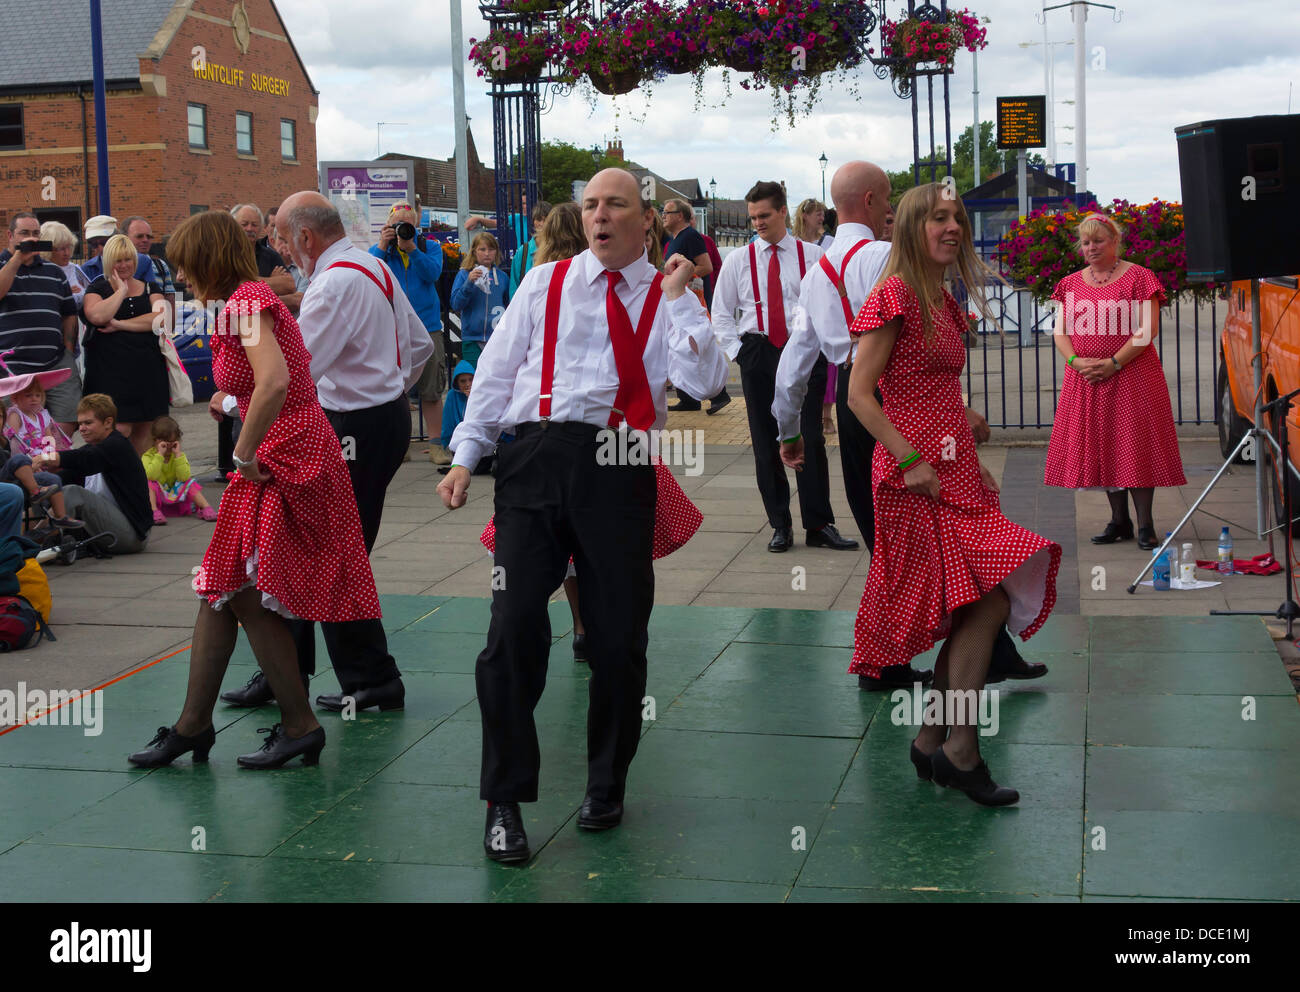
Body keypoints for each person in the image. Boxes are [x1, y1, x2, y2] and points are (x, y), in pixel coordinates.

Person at [438, 167, 728, 863]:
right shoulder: (546, 283)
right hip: (535, 459)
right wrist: (464, 455)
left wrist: (682, 298)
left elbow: (708, 381)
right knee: (511, 630)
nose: (598, 216)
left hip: (621, 467)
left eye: (615, 205)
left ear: (646, 222)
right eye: (590, 205)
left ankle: (607, 781)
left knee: (617, 640)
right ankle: (503, 798)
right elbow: (500, 370)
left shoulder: (669, 296)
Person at [126, 208, 380, 770]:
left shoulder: (244, 303)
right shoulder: (244, 302)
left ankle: (295, 724)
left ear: (206, 259)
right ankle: (198, 725)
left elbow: (275, 382)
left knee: (240, 589)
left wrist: (242, 454)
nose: (181, 277)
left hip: (282, 460)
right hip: (282, 455)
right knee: (222, 586)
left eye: (185, 265)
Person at [846, 183, 1061, 805]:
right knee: (986, 604)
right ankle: (956, 748)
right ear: (912, 227)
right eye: (939, 218)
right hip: (912, 479)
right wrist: (913, 456)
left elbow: (927, 384)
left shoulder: (942, 299)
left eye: (957, 219)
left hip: (954, 472)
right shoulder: (893, 295)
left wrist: (966, 427)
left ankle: (934, 740)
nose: (952, 229)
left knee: (977, 606)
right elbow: (862, 394)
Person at [219, 190, 431, 716]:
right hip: (378, 418)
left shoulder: (332, 284)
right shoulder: (370, 267)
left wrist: (229, 401)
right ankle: (291, 671)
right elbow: (421, 343)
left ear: (307, 237)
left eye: (285, 240)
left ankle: (364, 678)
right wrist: (386, 388)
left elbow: (290, 376)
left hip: (352, 426)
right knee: (321, 549)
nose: (283, 252)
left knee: (329, 553)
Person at [711, 180, 856, 553]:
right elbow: (721, 313)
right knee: (764, 442)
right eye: (753, 217)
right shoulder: (737, 260)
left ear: (781, 212)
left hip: (805, 350)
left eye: (763, 215)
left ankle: (819, 524)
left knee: (811, 437)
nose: (757, 223)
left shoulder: (811, 255)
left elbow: (830, 301)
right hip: (759, 351)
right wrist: (739, 352)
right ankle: (780, 524)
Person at [1044, 212, 1185, 547]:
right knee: (1105, 445)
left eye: (1098, 241)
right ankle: (1119, 521)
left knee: (1135, 444)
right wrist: (1077, 362)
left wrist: (1113, 363)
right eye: (1086, 242)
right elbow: (1060, 332)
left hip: (1133, 375)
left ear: (1115, 241)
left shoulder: (1140, 277)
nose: (1091, 247)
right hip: (1088, 378)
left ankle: (1146, 526)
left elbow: (1147, 329)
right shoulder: (1072, 283)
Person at [371, 203, 448, 461]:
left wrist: (412, 249)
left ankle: (436, 445)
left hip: (427, 327)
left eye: (408, 225)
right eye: (397, 225)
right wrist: (383, 245)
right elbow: (368, 273)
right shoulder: (383, 252)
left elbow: (432, 273)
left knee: (431, 390)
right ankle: (398, 445)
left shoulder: (429, 247)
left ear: (416, 226)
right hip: (392, 329)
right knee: (394, 392)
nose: (403, 230)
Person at [80, 234, 169, 454]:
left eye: (128, 259)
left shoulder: (151, 288)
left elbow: (160, 320)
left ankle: (141, 484)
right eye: (118, 260)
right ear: (109, 261)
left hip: (146, 372)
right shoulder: (96, 288)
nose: (123, 265)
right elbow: (98, 317)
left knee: (147, 433)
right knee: (118, 430)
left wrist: (120, 324)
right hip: (108, 374)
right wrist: (121, 291)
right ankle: (112, 483)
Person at [36, 393, 152, 554]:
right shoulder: (94, 449)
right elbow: (68, 473)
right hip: (111, 527)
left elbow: (86, 460)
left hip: (134, 535)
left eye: (88, 423)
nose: (82, 428)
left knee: (72, 492)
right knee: (48, 490)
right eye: (80, 423)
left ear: (108, 422)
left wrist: (50, 457)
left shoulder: (117, 445)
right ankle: (24, 537)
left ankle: (38, 543)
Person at [2, 212, 81, 437]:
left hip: (54, 362)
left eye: (36, 234)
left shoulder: (54, 272)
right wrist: (17, 258)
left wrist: (67, 349)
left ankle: (50, 461)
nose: (32, 239)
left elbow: (68, 313)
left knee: (68, 417)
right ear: (10, 235)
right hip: (11, 367)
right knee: (13, 431)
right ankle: (26, 469)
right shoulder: (3, 266)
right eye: (24, 233)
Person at [663, 200, 728, 415]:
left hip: (690, 302)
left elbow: (706, 266)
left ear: (680, 215)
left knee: (697, 347)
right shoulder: (675, 239)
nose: (663, 216)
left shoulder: (690, 236)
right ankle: (688, 398)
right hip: (679, 300)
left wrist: (683, 278)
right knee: (679, 346)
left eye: (667, 212)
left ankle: (720, 394)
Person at [0, 372, 79, 529]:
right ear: (15, 399)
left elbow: (48, 437)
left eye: (38, 395)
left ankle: (61, 516)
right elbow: (13, 440)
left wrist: (49, 455)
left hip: (39, 454)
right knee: (21, 460)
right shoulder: (16, 414)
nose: (34, 399)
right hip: (22, 456)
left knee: (54, 479)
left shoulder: (43, 415)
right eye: (29, 395)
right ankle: (35, 492)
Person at [450, 232, 509, 369]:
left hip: (497, 339)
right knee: (475, 381)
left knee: (495, 380)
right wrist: (469, 283)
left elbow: (509, 306)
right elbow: (456, 304)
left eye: (491, 249)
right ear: (474, 252)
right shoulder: (464, 274)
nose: (487, 253)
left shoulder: (503, 277)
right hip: (472, 339)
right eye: (482, 249)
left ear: (496, 252)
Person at [143, 415, 216, 523]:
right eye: (164, 443)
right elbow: (151, 475)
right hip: (158, 496)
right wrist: (159, 455)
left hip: (174, 493)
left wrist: (178, 455)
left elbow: (184, 477)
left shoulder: (178, 456)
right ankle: (153, 511)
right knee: (149, 483)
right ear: (155, 441)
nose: (167, 447)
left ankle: (205, 508)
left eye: (171, 442)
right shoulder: (148, 456)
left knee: (189, 482)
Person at [78, 215, 154, 284]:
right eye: (93, 244)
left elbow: (152, 292)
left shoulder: (143, 261)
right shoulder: (87, 268)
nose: (100, 248)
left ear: (117, 237)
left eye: (104, 242)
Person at [120, 216, 175, 295]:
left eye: (149, 237)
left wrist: (181, 305)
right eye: (139, 236)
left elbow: (172, 295)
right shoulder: (117, 266)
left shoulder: (160, 265)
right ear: (124, 238)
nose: (145, 240)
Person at [509, 199, 553, 296]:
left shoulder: (557, 249)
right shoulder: (522, 252)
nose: (541, 223)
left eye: (546, 220)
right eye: (538, 219)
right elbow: (514, 287)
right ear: (533, 221)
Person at [40, 222, 90, 307]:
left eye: (69, 246)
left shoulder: (75, 269)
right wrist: (65, 293)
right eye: (61, 248)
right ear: (48, 250)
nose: (67, 253)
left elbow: (89, 297)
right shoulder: (40, 272)